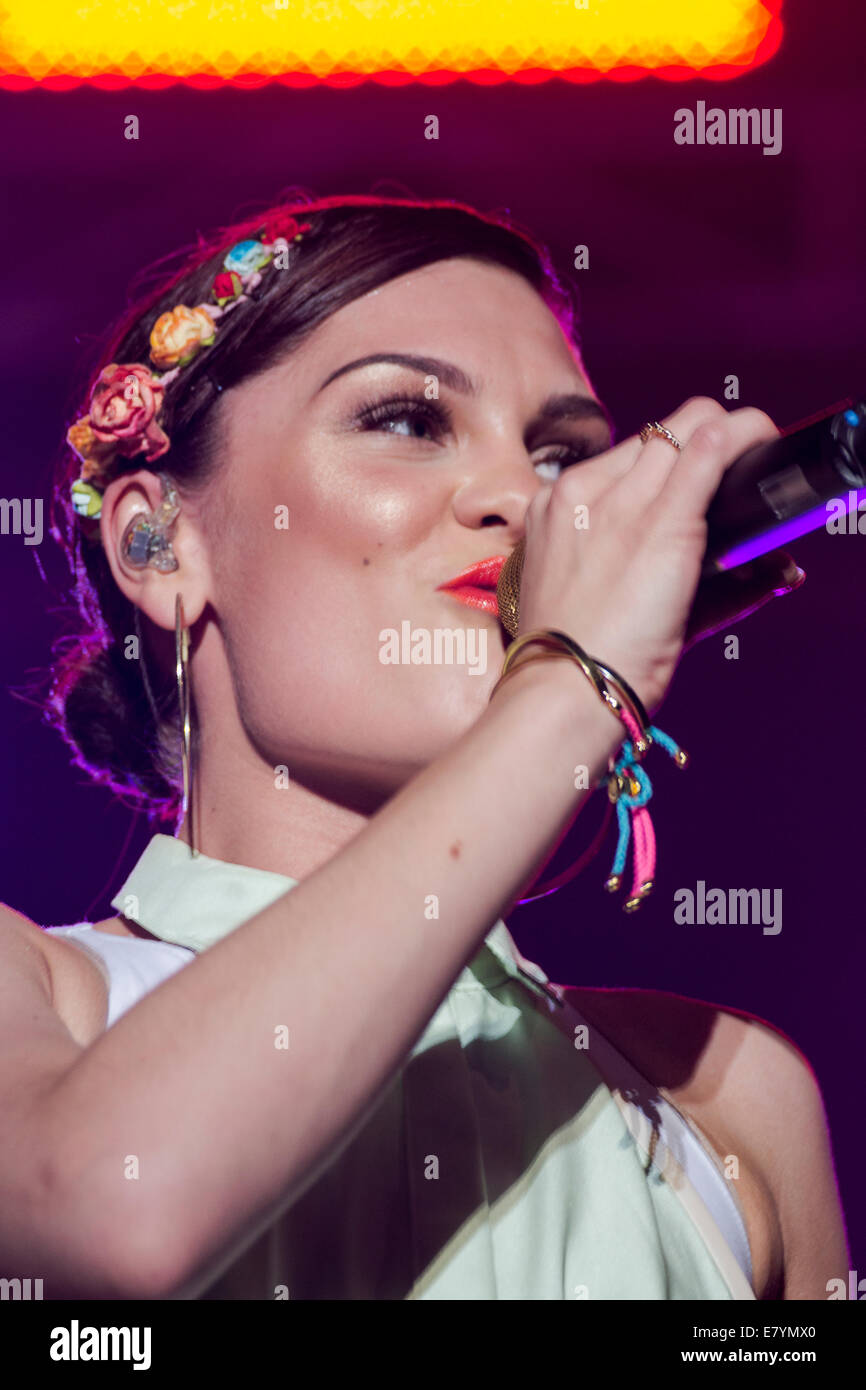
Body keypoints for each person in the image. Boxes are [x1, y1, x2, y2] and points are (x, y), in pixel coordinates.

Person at [0, 193, 848, 1300]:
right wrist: (570, 678)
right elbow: (104, 1215)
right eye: (405, 419)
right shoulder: (39, 992)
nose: (516, 497)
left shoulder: (725, 1098)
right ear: (160, 544)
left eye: (558, 458)